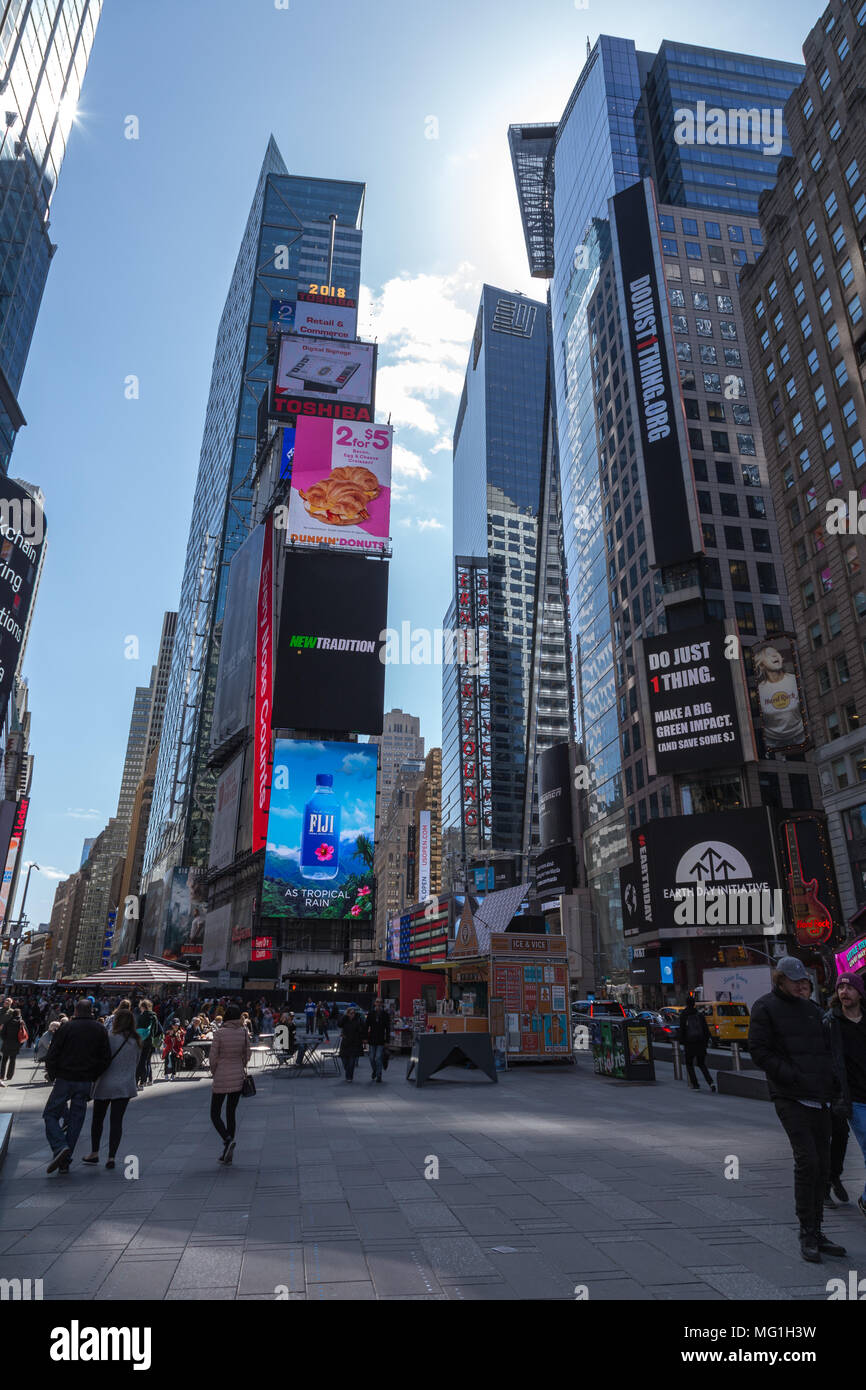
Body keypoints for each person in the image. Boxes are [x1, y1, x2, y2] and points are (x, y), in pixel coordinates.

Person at [749, 956, 845, 1263]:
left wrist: (831, 1083)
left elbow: (828, 1050)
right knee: (808, 1162)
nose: (800, 984)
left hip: (820, 1097)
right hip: (791, 1097)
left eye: (803, 980)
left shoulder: (812, 1010)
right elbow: (759, 1051)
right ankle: (807, 1233)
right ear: (780, 980)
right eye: (794, 980)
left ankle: (818, 1231)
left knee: (823, 1167)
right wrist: (791, 1076)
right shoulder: (765, 1007)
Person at [43, 1000, 112, 1174]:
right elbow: (105, 1058)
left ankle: (60, 1146)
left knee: (50, 1114)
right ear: (91, 1011)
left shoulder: (67, 1028)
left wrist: (53, 1074)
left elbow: (53, 1053)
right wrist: (93, 1075)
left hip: (65, 1077)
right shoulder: (100, 1029)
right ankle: (65, 1161)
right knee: (76, 1120)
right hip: (85, 1080)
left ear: (75, 1010)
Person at [825, 972, 866, 1218]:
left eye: (849, 988)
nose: (844, 992)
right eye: (840, 988)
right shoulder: (831, 1022)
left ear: (859, 992)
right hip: (855, 1099)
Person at [83, 1009, 140, 1168]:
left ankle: (94, 1153)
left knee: (98, 1120)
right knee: (116, 1122)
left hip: (105, 1084)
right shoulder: (136, 1041)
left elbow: (99, 1057)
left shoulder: (109, 1037)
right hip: (125, 1086)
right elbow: (136, 1063)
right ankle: (111, 1157)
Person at [208, 1003, 251, 1164]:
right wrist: (242, 1064)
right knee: (231, 1112)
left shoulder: (219, 1033)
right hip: (238, 1075)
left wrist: (214, 1071)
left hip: (221, 1075)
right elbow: (248, 1053)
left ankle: (227, 1140)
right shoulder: (243, 1032)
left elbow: (212, 1057)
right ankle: (228, 1149)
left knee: (214, 1113)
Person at [678, 997, 716, 1093]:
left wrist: (682, 1042)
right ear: (694, 1004)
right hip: (700, 1043)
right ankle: (710, 1082)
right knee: (702, 1064)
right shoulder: (699, 1015)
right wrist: (705, 1042)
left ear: (686, 1003)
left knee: (689, 1064)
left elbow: (681, 1031)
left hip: (689, 1044)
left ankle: (695, 1084)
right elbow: (706, 1031)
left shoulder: (683, 1015)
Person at [134, 999, 162, 1088]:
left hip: (142, 1041)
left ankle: (139, 1082)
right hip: (150, 1041)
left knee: (140, 1061)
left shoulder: (141, 1016)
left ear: (142, 1007)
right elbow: (158, 1030)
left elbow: (137, 1028)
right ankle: (145, 1081)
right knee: (146, 1061)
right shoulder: (154, 1016)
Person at [365, 998, 391, 1084]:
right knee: (371, 1058)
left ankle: (379, 1075)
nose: (378, 1004)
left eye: (380, 1002)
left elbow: (388, 1029)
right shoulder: (371, 1013)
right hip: (372, 1039)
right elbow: (366, 1026)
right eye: (377, 1002)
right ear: (375, 1003)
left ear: (382, 1004)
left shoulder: (385, 1014)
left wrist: (387, 1041)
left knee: (378, 1057)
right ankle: (375, 1070)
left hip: (381, 1040)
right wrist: (365, 1038)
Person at [0, 1007, 26, 1084]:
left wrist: (5, 1040)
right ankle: (9, 1076)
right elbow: (25, 1034)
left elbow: (2, 1033)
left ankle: (1, 1075)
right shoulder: (21, 1022)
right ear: (19, 1014)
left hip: (7, 1043)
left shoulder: (7, 1022)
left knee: (4, 1060)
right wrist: (20, 1044)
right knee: (12, 1060)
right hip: (16, 1043)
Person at [339, 1006, 365, 1082]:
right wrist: (345, 1016)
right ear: (347, 1014)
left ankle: (349, 1077)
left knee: (352, 1062)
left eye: (353, 1013)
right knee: (344, 1061)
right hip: (345, 1043)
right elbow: (339, 1024)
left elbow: (362, 1029)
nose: (352, 1014)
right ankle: (348, 1074)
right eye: (350, 1013)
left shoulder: (357, 1020)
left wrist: (361, 1039)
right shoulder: (345, 1020)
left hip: (354, 1043)